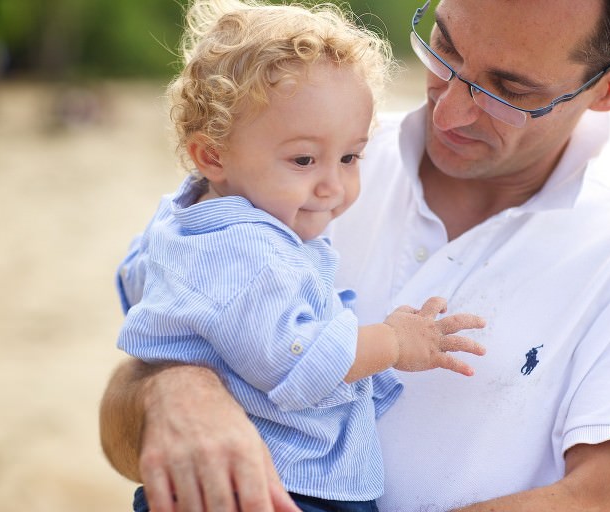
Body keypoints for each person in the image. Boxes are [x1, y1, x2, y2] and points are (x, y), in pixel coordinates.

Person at [100, 0, 610, 511]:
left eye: (509, 89)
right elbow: (124, 411)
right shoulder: (297, 152)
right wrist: (176, 392)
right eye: (444, 48)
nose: (448, 110)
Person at [111, 1, 487, 511]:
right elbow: (297, 362)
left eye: (350, 157)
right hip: (283, 485)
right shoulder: (252, 250)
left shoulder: (179, 220)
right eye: (304, 159)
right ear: (212, 155)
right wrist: (394, 341)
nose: (333, 185)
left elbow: (134, 285)